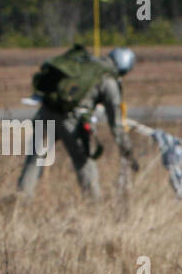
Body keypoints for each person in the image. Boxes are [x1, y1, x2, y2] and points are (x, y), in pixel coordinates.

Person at [17, 46, 138, 199]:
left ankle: (22, 196)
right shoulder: (108, 80)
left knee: (34, 158)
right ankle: (94, 205)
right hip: (71, 120)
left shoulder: (84, 61)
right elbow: (116, 124)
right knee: (84, 163)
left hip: (46, 110)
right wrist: (126, 150)